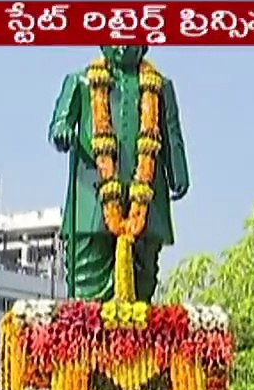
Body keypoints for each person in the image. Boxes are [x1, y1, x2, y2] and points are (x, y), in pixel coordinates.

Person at [48, 45, 190, 302]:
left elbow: (171, 133)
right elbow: (60, 122)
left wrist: (178, 171)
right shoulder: (81, 81)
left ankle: (138, 337)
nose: (124, 46)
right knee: (87, 279)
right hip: (93, 191)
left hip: (146, 194)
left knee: (142, 278)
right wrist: (62, 132)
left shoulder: (160, 87)